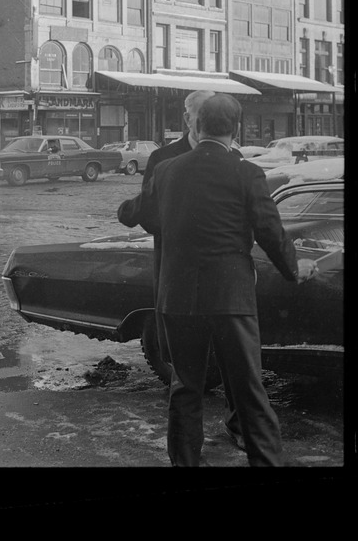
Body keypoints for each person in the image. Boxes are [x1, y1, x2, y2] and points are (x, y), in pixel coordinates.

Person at [133, 93, 317, 467]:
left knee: (185, 389)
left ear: (197, 126)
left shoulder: (167, 170)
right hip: (230, 298)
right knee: (249, 392)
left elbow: (147, 217)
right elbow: (269, 231)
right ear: (237, 129)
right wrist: (295, 269)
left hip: (178, 298)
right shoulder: (246, 171)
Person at [118, 90, 244, 443]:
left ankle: (236, 427)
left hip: (222, 277)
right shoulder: (163, 158)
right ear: (189, 118)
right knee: (187, 370)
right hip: (181, 272)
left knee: (232, 358)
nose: (209, 122)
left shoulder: (232, 155)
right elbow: (149, 216)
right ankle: (188, 447)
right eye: (202, 114)